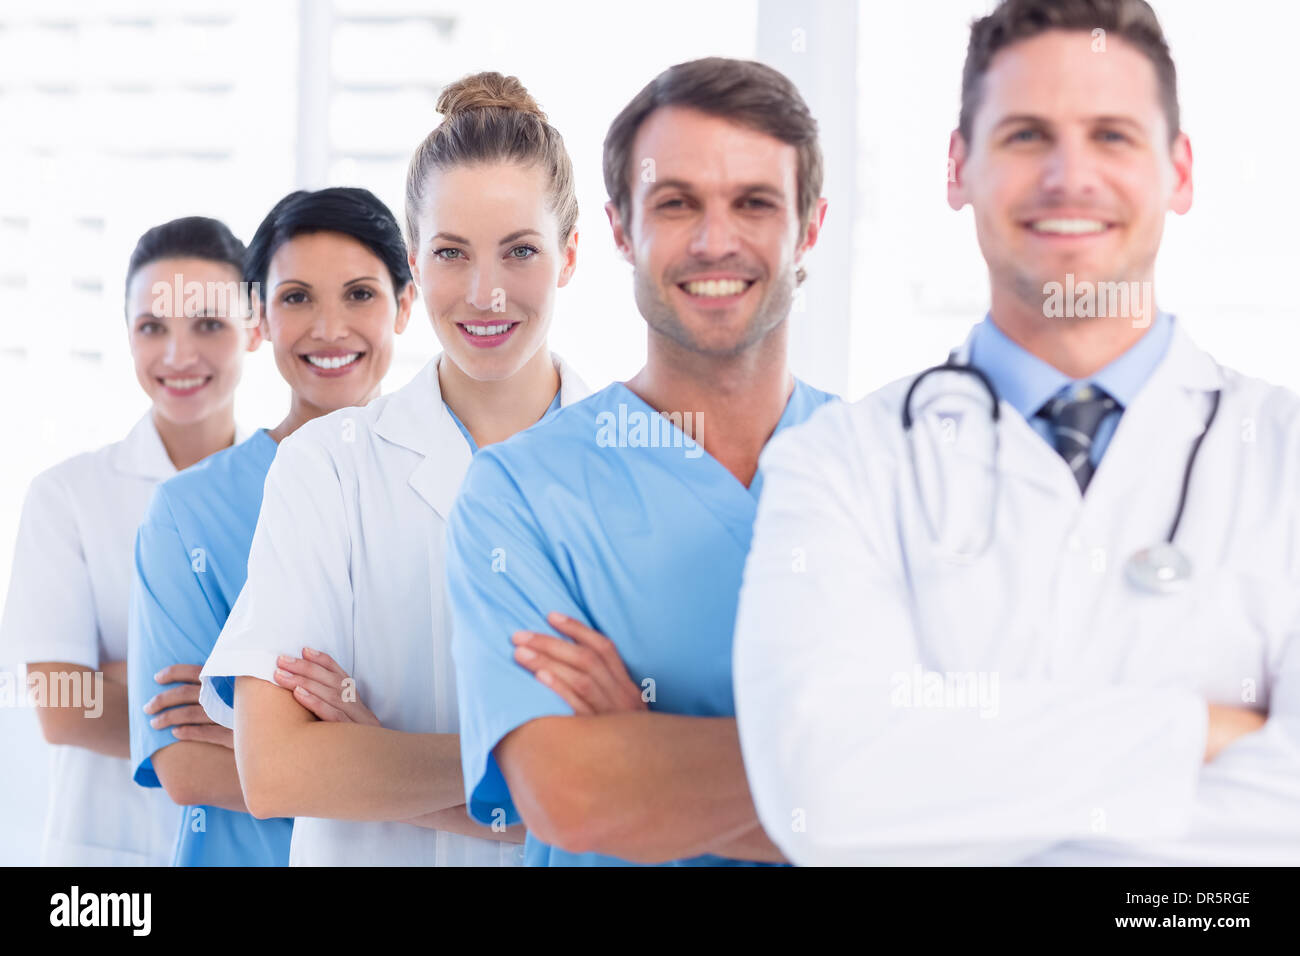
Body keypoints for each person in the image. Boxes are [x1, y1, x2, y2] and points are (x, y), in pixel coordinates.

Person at [732, 0, 1300, 865]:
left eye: (1112, 136)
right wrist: (1200, 733)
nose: (1070, 177)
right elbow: (825, 788)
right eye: (1027, 135)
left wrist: (954, 779)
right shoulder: (839, 463)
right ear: (958, 167)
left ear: (1179, 173)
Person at [446, 57, 834, 866]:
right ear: (622, 228)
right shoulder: (517, 494)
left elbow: (972, 795)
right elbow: (573, 797)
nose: (715, 239)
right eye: (676, 202)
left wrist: (644, 745)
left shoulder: (883, 469)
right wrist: (859, 776)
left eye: (755, 202)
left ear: (811, 226)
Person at [197, 72, 589, 866]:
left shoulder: (633, 468)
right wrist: (538, 771)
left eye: (520, 250)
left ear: (570, 257)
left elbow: (650, 792)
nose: (485, 293)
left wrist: (378, 759)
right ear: (415, 262)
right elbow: (275, 771)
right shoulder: (327, 469)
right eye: (451, 253)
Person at [128, 188, 415, 866]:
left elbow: (480, 735)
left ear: (406, 304)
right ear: (258, 317)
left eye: (360, 294)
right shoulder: (188, 513)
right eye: (295, 298)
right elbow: (188, 767)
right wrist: (376, 757)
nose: (329, 327)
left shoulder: (445, 490)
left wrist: (267, 740)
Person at [0, 217, 258, 865]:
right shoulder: (68, 496)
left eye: (208, 324)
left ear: (254, 329)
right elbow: (62, 706)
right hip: (110, 859)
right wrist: (255, 714)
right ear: (128, 336)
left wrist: (126, 674)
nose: (177, 356)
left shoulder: (291, 488)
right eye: (153, 328)